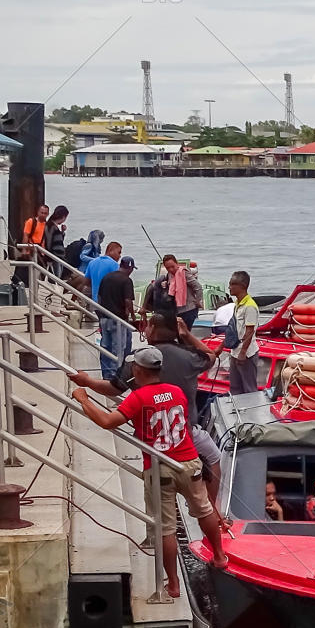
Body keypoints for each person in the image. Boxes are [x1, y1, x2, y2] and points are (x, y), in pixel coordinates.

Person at [71, 348, 227, 599]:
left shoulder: (137, 398)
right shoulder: (176, 391)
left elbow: (108, 422)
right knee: (204, 509)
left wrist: (84, 398)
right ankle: (219, 556)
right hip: (188, 461)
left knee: (166, 528)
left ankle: (173, 585)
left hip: (159, 468)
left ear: (138, 370)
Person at [69, 309, 225, 511]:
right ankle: (211, 506)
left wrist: (87, 383)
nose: (145, 328)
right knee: (213, 458)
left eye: (149, 324)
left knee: (161, 514)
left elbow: (113, 389)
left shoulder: (136, 360)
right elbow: (211, 355)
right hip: (184, 434)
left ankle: (159, 528)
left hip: (151, 438)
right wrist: (186, 335)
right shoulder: (188, 358)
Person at [95, 255, 136, 381]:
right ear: (130, 268)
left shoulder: (107, 277)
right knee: (118, 348)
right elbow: (128, 301)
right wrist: (133, 316)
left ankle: (106, 374)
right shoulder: (126, 280)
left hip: (105, 318)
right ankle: (116, 376)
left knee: (105, 347)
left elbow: (99, 297)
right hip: (118, 320)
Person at [142, 254, 203, 329]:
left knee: (185, 333)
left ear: (176, 263)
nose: (171, 269)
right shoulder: (169, 276)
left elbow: (198, 287)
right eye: (168, 268)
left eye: (172, 267)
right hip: (177, 310)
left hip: (189, 309)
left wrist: (198, 301)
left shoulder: (184, 273)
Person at [225, 270, 261, 394]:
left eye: (232, 284)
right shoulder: (237, 304)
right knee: (235, 387)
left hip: (247, 353)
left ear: (242, 286)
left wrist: (243, 352)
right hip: (235, 350)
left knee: (248, 387)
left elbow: (249, 331)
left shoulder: (249, 306)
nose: (229, 287)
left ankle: (251, 411)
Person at [44, 205, 70, 275]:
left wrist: (62, 232)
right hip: (54, 256)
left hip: (57, 256)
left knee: (58, 274)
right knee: (56, 276)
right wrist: (49, 257)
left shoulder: (53, 226)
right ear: (63, 216)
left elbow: (57, 240)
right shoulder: (51, 226)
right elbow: (49, 241)